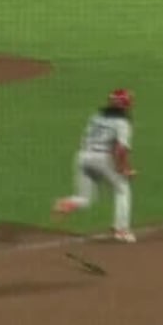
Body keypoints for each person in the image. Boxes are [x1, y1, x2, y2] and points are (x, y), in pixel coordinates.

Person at [53, 89, 138, 242]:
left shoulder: (96, 116)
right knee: (123, 189)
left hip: (83, 156)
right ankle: (122, 230)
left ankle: (67, 202)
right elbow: (121, 149)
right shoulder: (122, 123)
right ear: (125, 105)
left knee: (85, 198)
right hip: (101, 158)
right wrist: (125, 168)